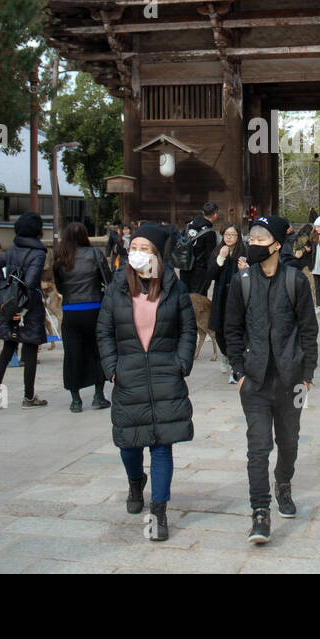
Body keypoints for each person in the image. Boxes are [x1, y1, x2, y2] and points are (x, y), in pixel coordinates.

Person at [96, 223, 196, 542]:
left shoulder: (173, 287)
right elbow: (104, 331)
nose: (136, 253)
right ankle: (136, 482)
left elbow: (188, 329)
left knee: (162, 446)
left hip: (166, 374)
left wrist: (181, 363)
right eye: (133, 247)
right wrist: (112, 368)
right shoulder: (117, 286)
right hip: (129, 374)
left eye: (144, 248)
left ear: (157, 254)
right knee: (129, 444)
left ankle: (159, 509)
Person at [224, 215, 318, 545]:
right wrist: (238, 372)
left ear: (277, 245)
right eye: (251, 239)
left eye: (260, 240)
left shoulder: (295, 282)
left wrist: (307, 375)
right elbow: (231, 329)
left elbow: (309, 330)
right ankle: (260, 512)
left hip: (292, 380)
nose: (253, 245)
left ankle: (284, 482)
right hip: (255, 379)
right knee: (258, 446)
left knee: (289, 441)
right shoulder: (243, 281)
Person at [0, 212, 49, 409]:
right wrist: (23, 302)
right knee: (30, 350)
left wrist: (4, 287)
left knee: (7, 350)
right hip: (29, 306)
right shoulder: (38, 253)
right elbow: (30, 282)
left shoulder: (13, 250)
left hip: (11, 304)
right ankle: (29, 396)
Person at [53, 221, 113, 412]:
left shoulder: (60, 258)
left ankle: (76, 399)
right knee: (97, 351)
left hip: (71, 309)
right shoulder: (95, 254)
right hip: (95, 307)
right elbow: (108, 280)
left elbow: (60, 286)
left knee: (72, 354)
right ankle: (98, 394)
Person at [209, 223, 250, 379]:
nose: (229, 238)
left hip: (238, 296)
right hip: (221, 295)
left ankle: (236, 364)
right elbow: (211, 273)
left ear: (238, 236)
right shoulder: (218, 251)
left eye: (233, 235)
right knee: (219, 329)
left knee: (236, 329)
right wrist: (220, 258)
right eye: (227, 235)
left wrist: (246, 269)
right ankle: (225, 354)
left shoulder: (244, 252)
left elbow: (252, 274)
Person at [181, 202, 220, 295]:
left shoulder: (189, 225)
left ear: (203, 212)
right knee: (198, 298)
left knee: (184, 295)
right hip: (199, 271)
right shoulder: (210, 232)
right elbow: (209, 256)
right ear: (215, 214)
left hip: (184, 266)